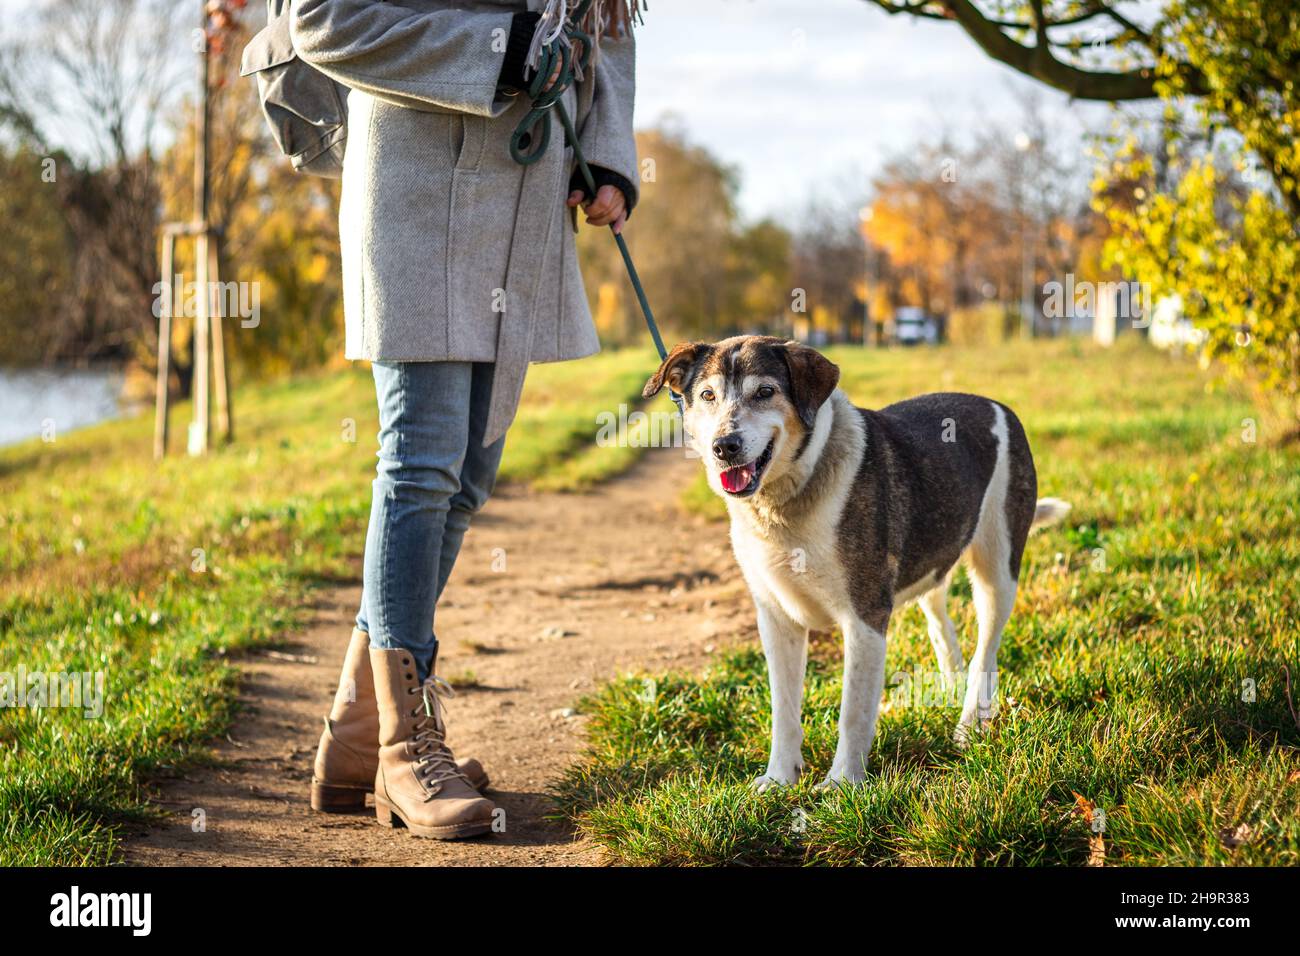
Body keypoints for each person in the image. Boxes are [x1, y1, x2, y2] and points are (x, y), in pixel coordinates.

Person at [290, 0, 641, 840]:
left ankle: (354, 738)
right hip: (413, 193)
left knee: (468, 478)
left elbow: (607, 25)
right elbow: (321, 19)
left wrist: (606, 155)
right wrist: (500, 48)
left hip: (522, 202)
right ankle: (407, 749)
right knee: (422, 461)